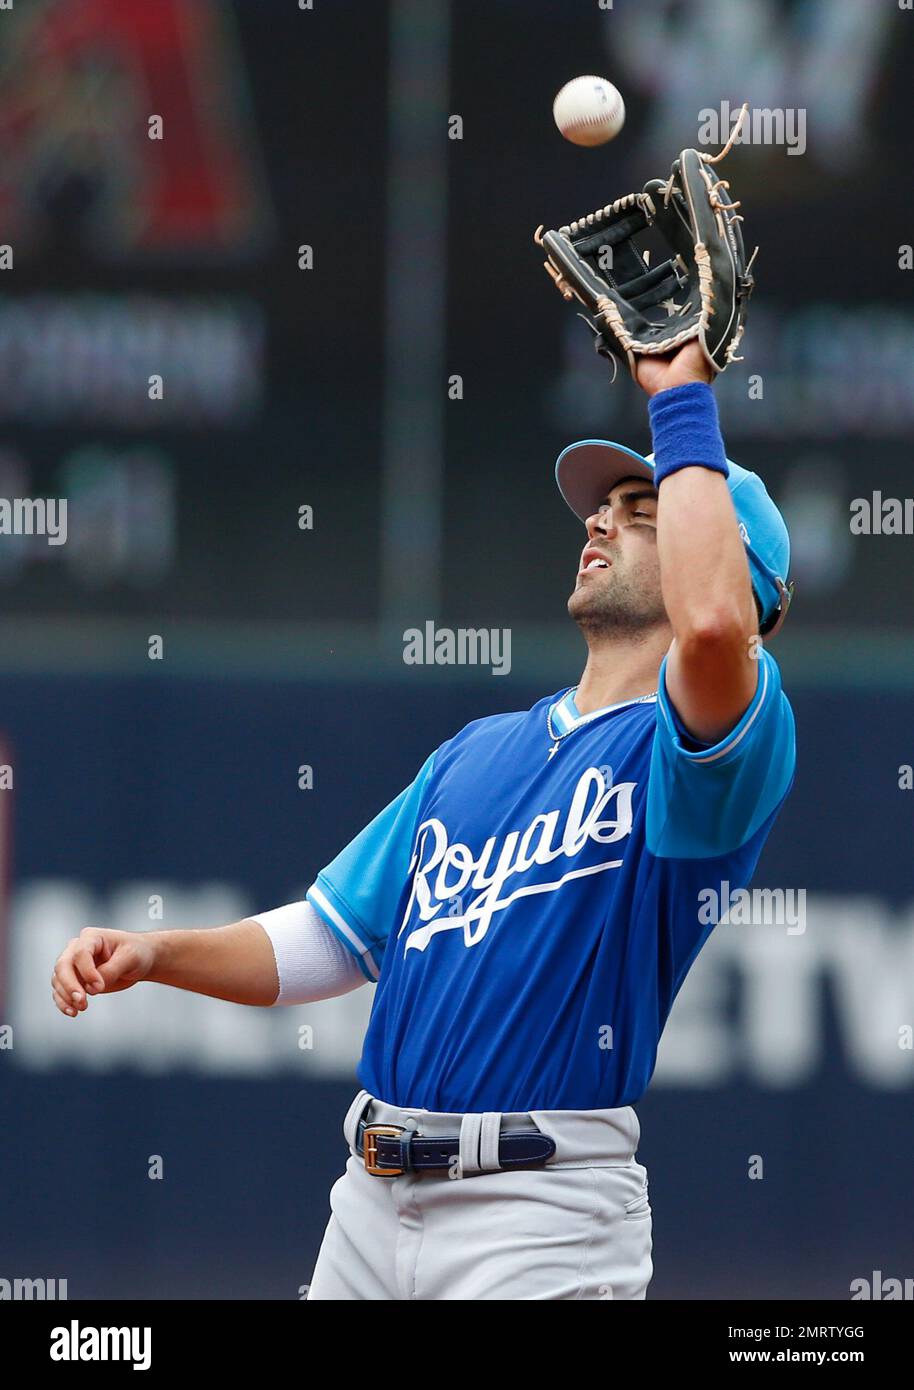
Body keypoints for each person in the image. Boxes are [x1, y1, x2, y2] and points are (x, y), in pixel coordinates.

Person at [51, 341, 796, 1300]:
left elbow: (709, 632)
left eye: (643, 511)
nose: (601, 525)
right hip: (368, 1198)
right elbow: (331, 938)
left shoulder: (720, 746)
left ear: (735, 571)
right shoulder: (475, 754)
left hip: (542, 1212)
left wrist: (683, 401)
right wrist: (160, 954)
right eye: (603, 509)